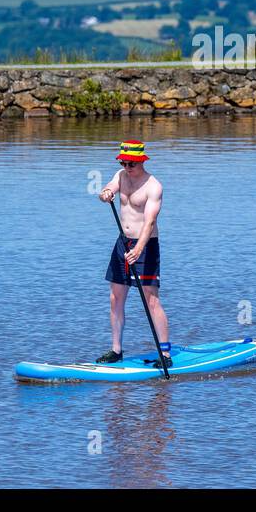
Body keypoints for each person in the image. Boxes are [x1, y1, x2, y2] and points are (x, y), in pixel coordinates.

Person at [97, 140, 171, 367]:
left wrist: (138, 250)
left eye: (131, 163)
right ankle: (116, 350)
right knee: (115, 297)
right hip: (123, 243)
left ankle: (165, 355)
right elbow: (107, 188)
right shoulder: (121, 176)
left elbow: (150, 222)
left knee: (151, 300)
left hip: (146, 245)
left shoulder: (153, 186)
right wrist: (106, 193)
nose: (127, 166)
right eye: (123, 162)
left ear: (141, 161)